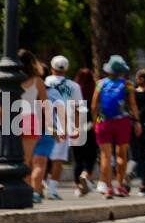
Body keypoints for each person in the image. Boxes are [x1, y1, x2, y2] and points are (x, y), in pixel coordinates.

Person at [91, 56, 142, 199]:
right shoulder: (128, 85)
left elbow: (94, 106)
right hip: (122, 122)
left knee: (106, 157)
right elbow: (132, 105)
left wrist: (96, 122)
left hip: (104, 122)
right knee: (122, 155)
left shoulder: (100, 84)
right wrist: (137, 121)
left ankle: (108, 188)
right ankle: (120, 186)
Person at [42, 55, 84, 200]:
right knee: (58, 159)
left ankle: (40, 185)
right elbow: (78, 108)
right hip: (63, 124)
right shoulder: (74, 86)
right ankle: (52, 189)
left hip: (44, 122)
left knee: (42, 155)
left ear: (52, 67)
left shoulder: (44, 82)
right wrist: (77, 127)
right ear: (66, 69)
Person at [18, 50, 52, 204]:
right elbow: (45, 104)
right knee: (26, 160)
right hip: (30, 119)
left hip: (11, 118)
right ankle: (25, 191)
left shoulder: (8, 79)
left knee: (10, 158)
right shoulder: (37, 81)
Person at [71, 66, 100, 195]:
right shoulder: (95, 91)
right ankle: (86, 174)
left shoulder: (73, 90)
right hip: (91, 127)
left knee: (78, 159)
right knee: (91, 156)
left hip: (76, 127)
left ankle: (77, 186)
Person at [129, 70, 145, 195]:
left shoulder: (132, 93)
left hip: (133, 125)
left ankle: (128, 175)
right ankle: (143, 186)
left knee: (134, 155)